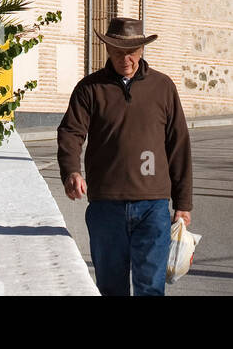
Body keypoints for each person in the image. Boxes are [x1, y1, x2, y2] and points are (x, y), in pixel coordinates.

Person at [57, 16, 193, 297]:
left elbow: (178, 144)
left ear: (142, 51)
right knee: (110, 288)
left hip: (153, 207)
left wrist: (183, 203)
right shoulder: (89, 88)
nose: (125, 59)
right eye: (118, 52)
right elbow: (71, 132)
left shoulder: (163, 87)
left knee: (150, 288)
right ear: (107, 50)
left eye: (131, 52)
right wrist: (72, 170)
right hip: (106, 206)